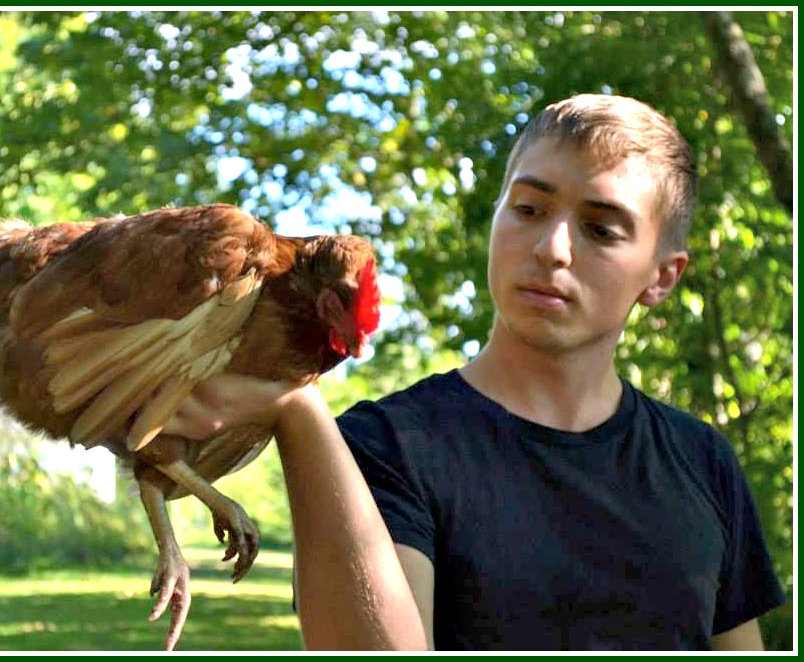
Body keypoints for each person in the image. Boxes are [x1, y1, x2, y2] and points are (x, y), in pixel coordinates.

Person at [163, 94, 785, 651]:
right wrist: (299, 407)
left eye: (600, 228)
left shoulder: (703, 461)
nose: (552, 249)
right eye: (529, 209)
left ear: (662, 276)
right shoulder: (385, 446)